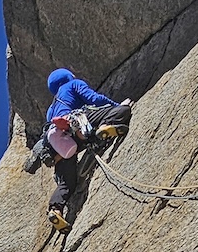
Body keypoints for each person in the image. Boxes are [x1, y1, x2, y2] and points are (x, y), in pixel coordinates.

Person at [26, 67, 132, 232]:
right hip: (77, 123)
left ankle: (56, 210)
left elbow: (51, 127)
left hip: (59, 142)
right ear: (68, 77)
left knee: (67, 183)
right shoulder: (73, 84)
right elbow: (94, 99)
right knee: (123, 111)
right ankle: (105, 126)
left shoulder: (50, 110)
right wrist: (117, 106)